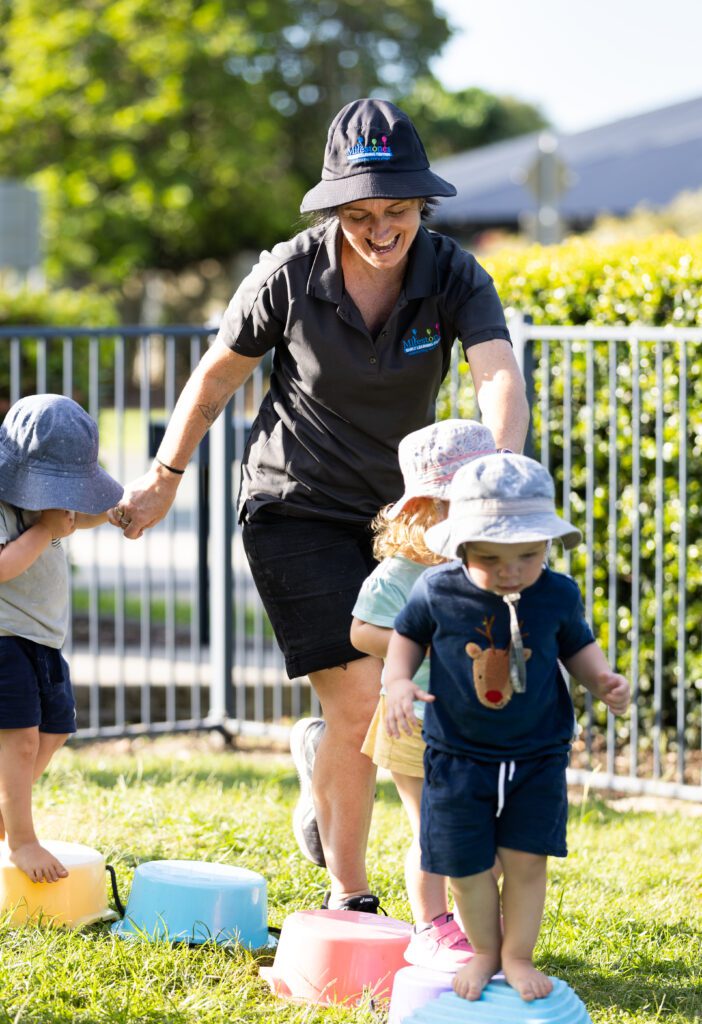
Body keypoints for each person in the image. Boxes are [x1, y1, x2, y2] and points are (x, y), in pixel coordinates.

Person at [108, 97, 529, 912]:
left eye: (398, 211)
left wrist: (495, 475)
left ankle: (345, 794)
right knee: (364, 697)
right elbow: (214, 380)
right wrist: (165, 475)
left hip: (409, 517)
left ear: (422, 206)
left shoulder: (451, 273)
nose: (381, 230)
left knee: (401, 697)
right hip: (294, 507)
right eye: (362, 213)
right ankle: (352, 897)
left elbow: (496, 374)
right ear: (336, 206)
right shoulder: (290, 274)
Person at [384, 454, 630, 1000]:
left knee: (526, 859)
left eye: (528, 554)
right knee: (465, 866)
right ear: (462, 546)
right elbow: (405, 637)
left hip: (536, 756)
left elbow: (577, 646)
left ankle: (517, 956)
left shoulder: (558, 593)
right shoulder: (438, 590)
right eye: (491, 557)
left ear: (547, 544)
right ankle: (485, 951)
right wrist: (397, 681)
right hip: (456, 756)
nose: (512, 569)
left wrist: (601, 679)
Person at [350, 418, 495, 968]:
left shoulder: (490, 566)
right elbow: (361, 631)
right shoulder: (401, 573)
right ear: (423, 510)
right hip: (415, 720)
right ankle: (433, 924)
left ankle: (466, 915)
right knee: (435, 825)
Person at [0, 394, 123, 882]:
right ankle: (22, 840)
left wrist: (115, 511)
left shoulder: (54, 506)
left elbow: (85, 514)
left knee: (55, 731)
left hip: (45, 642)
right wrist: (45, 529)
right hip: (4, 639)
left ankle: (6, 808)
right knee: (21, 741)